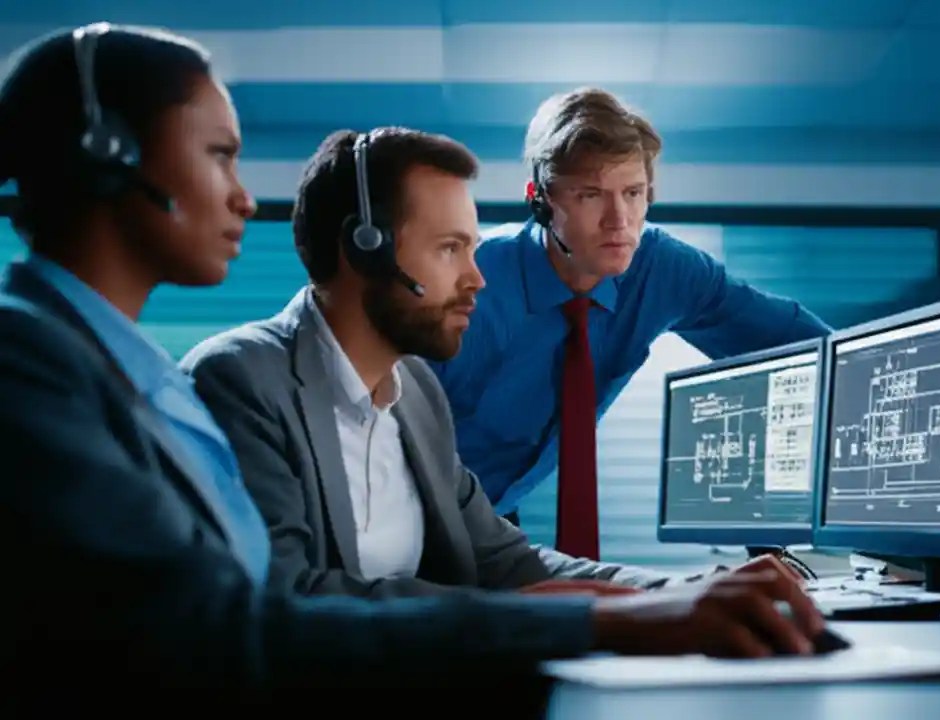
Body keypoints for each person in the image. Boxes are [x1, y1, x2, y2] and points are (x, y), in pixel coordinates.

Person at [0, 24, 827, 692]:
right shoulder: (46, 365)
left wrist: (674, 593)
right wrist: (599, 619)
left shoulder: (388, 393)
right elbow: (240, 618)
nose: (246, 196)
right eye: (219, 155)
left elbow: (496, 556)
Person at [180, 126, 738, 598]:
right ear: (365, 248)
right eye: (450, 249)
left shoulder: (415, 393)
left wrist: (683, 592)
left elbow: (504, 560)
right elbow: (289, 595)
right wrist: (561, 618)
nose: (476, 279)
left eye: (472, 249)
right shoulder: (239, 379)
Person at [426, 87, 833, 559]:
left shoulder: (660, 267)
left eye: (634, 193)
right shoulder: (471, 288)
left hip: (494, 517)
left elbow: (800, 345)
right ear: (540, 200)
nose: (619, 221)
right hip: (417, 513)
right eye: (591, 195)